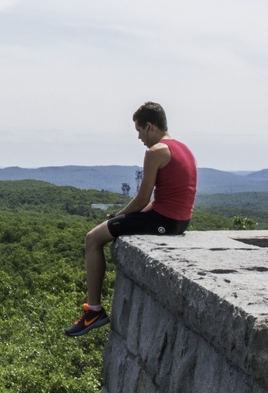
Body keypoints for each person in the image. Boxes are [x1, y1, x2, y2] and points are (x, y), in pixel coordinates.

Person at [64, 101, 196, 336]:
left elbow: (143, 198)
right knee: (110, 228)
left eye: (139, 131)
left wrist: (119, 216)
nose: (139, 138)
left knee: (92, 238)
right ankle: (93, 310)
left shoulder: (155, 152)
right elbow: (164, 198)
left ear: (149, 126)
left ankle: (93, 310)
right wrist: (129, 216)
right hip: (179, 221)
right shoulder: (183, 148)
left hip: (164, 222)